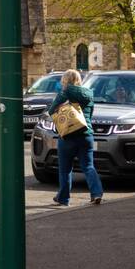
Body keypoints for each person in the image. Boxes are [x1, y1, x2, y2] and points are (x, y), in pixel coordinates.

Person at [47, 69, 103, 207]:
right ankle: (96, 193)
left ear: (65, 80)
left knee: (65, 169)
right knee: (88, 166)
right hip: (86, 134)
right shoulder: (89, 93)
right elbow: (89, 116)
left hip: (68, 135)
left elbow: (51, 110)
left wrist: (61, 105)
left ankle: (63, 198)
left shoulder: (65, 92)